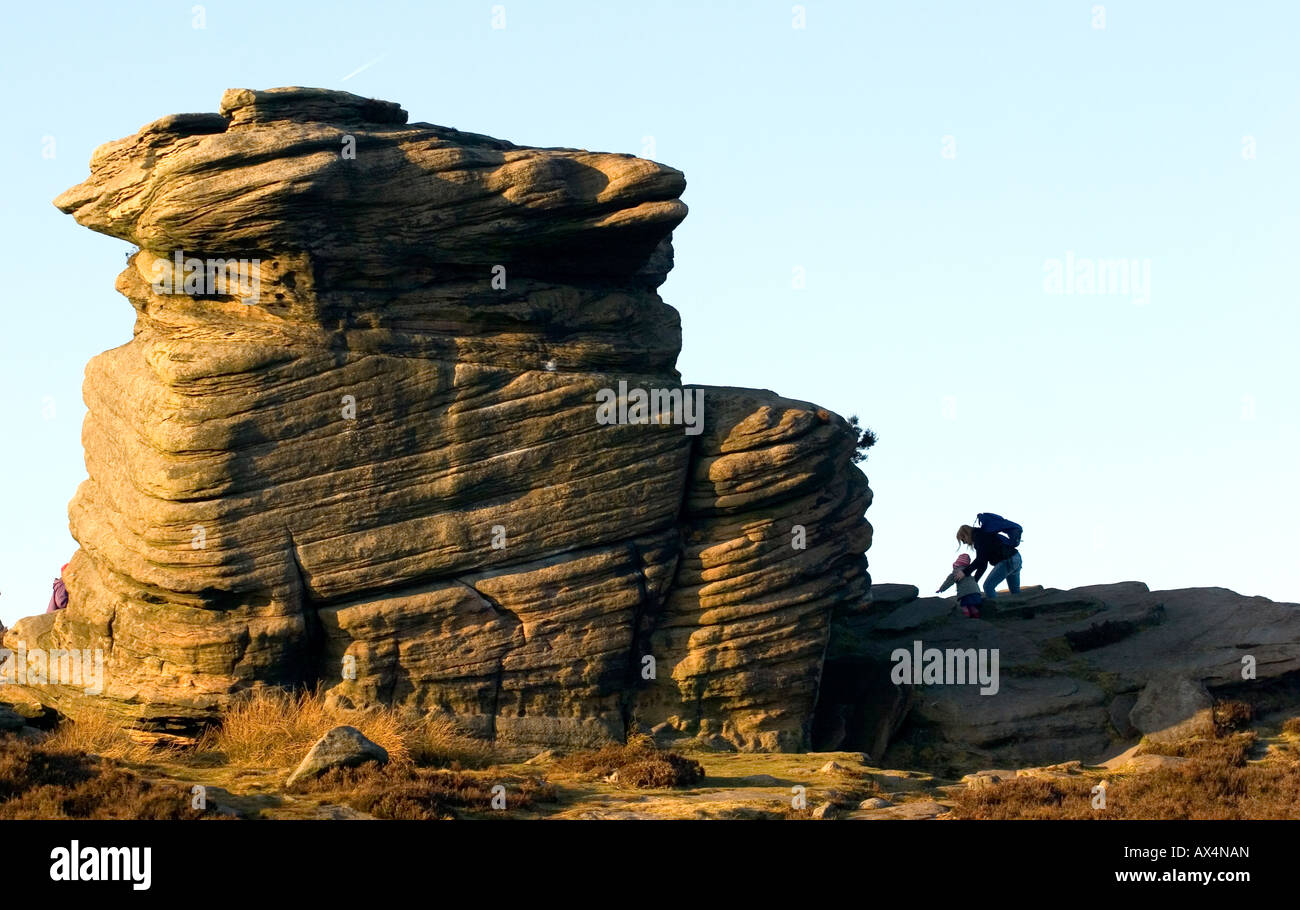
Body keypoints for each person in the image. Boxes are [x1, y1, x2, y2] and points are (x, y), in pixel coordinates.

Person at [956, 520, 1022, 599]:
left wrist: (964, 572)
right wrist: (974, 581)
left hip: (1007, 560)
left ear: (965, 534)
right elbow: (983, 564)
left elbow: (980, 560)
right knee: (1015, 591)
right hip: (1016, 558)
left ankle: (997, 610)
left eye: (963, 540)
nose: (964, 543)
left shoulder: (979, 537)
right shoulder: (981, 535)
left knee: (988, 587)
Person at [937, 553, 984, 619]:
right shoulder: (968, 571)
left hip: (965, 593)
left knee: (964, 606)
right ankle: (977, 618)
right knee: (973, 606)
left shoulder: (955, 572)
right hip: (976, 592)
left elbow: (948, 582)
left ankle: (966, 618)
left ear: (956, 564)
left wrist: (941, 589)